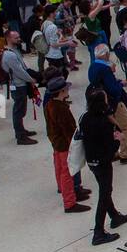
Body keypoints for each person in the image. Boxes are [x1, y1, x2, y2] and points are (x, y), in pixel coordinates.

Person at [80, 87, 127, 245]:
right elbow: (110, 149)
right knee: (105, 193)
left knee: (104, 189)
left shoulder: (85, 118)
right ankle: (98, 231)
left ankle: (114, 216)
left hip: (92, 161)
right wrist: (118, 140)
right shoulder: (104, 122)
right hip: (103, 162)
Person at [44, 76, 91, 214]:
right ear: (62, 91)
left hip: (56, 142)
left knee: (59, 167)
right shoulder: (61, 109)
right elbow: (68, 129)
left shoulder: (50, 104)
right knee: (67, 172)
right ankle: (69, 202)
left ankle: (62, 189)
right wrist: (76, 142)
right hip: (65, 144)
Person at [87, 43, 127, 165]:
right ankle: (125, 154)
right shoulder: (105, 69)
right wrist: (123, 87)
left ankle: (113, 152)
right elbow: (113, 89)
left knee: (112, 127)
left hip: (102, 103)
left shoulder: (92, 67)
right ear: (106, 54)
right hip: (114, 103)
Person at [0, 29, 38, 145]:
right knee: (18, 111)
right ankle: (20, 136)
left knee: (21, 109)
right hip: (18, 85)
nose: (19, 39)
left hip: (20, 84)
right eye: (16, 38)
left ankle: (21, 130)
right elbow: (19, 70)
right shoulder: (9, 54)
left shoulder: (14, 51)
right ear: (8, 38)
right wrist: (30, 79)